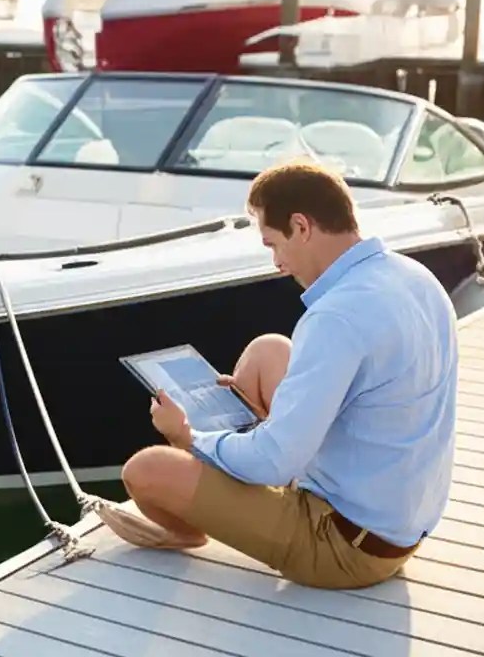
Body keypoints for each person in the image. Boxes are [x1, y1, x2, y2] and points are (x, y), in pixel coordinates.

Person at [98, 160, 459, 590]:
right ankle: (235, 455)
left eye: (274, 244)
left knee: (146, 470)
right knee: (268, 351)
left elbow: (275, 463)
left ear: (301, 227)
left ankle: (188, 527)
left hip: (347, 547)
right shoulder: (414, 277)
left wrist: (189, 438)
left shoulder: (335, 317)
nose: (277, 264)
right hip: (397, 522)